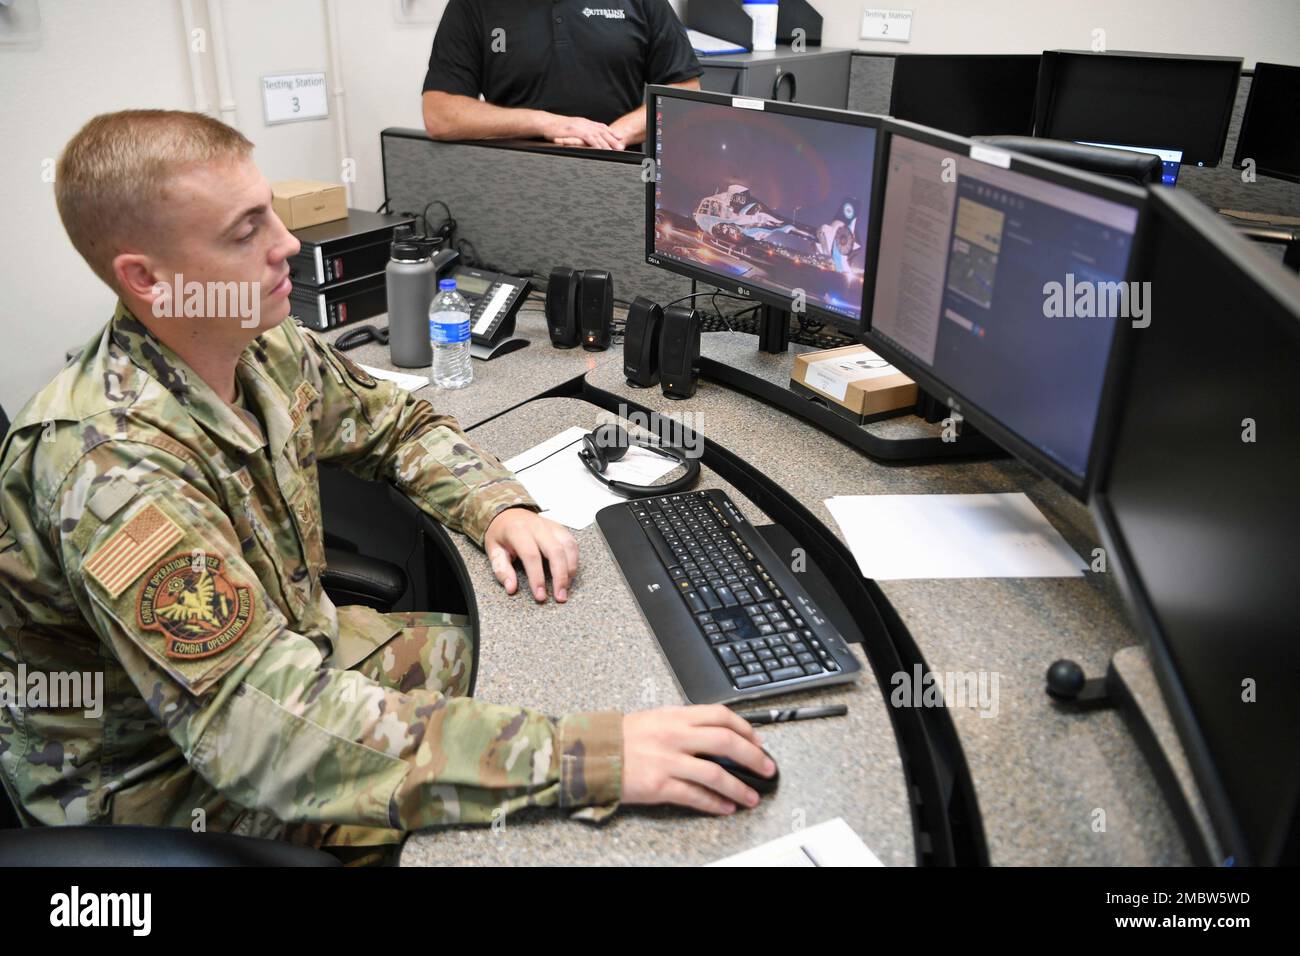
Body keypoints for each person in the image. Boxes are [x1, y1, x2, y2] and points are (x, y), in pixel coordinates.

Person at [0, 110, 772, 859]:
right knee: (561, 831)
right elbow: (264, 737)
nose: (289, 247)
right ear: (149, 278)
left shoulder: (260, 343)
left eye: (272, 214)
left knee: (540, 672)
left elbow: (397, 424)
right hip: (170, 788)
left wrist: (494, 503)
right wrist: (588, 760)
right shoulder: (110, 469)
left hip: (295, 661)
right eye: (246, 232)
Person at [421, 0, 702, 150]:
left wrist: (610, 137)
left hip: (617, 178)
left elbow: (685, 92)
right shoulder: (473, 5)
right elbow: (440, 114)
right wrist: (547, 123)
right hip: (510, 182)